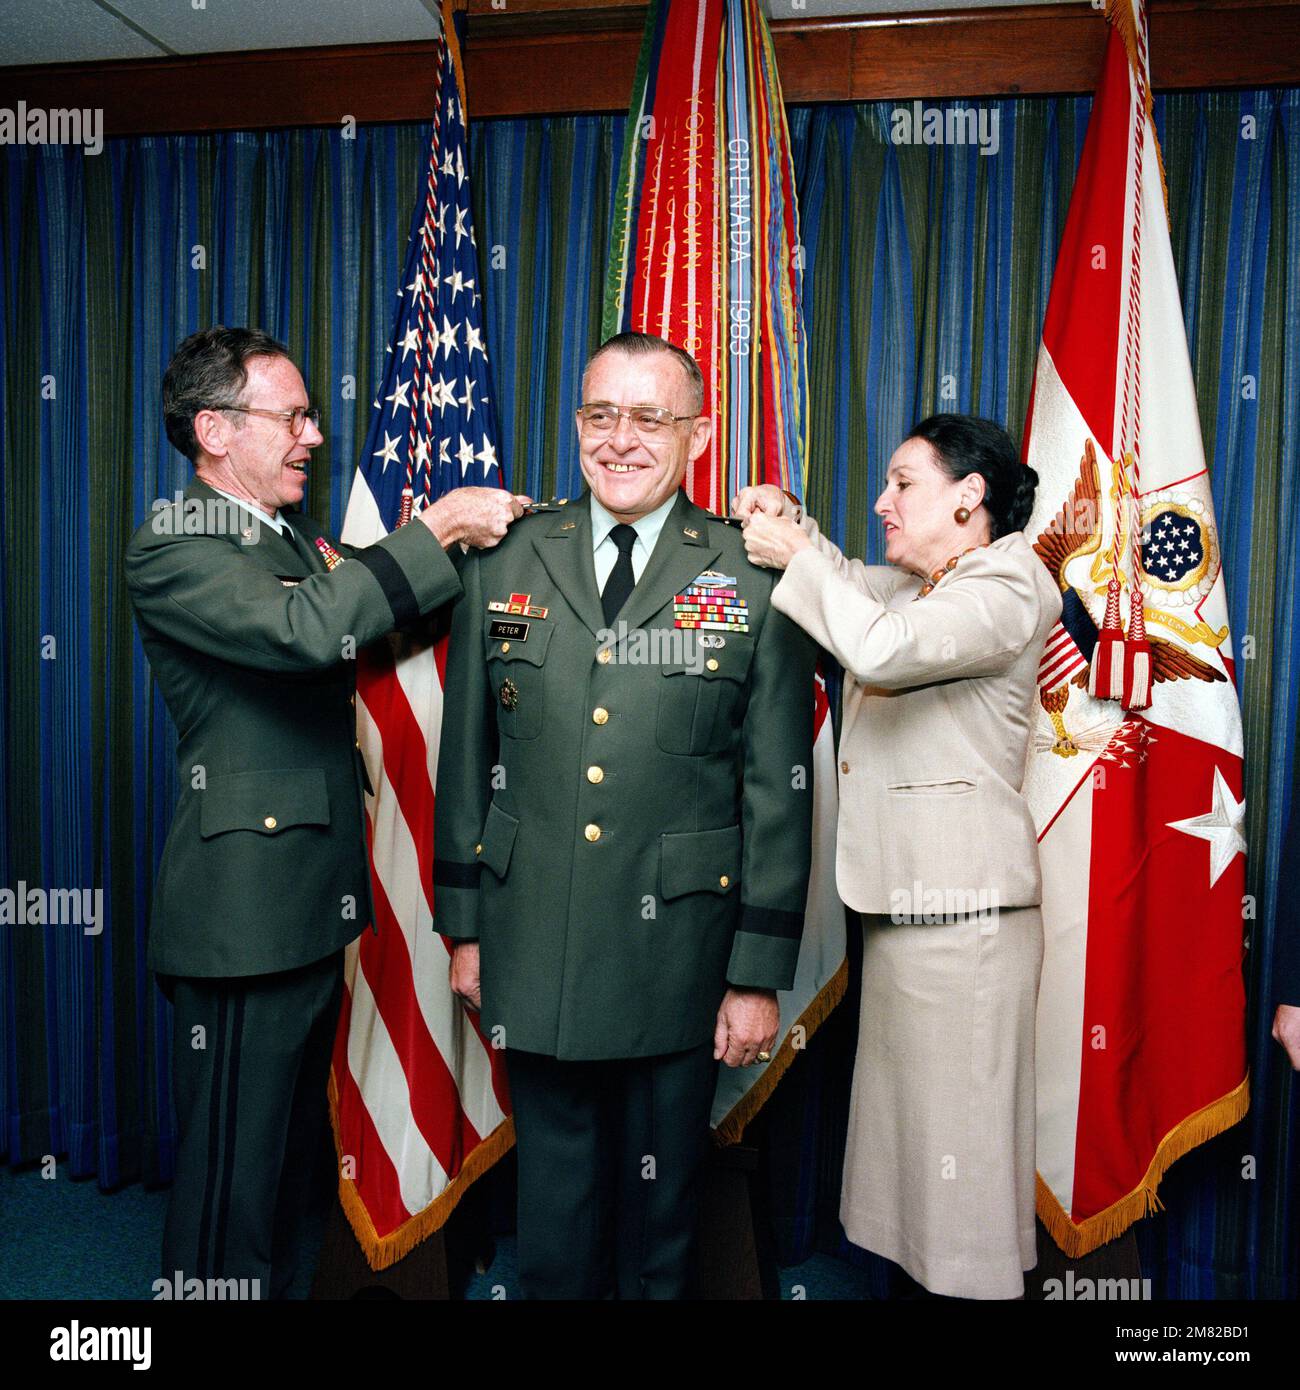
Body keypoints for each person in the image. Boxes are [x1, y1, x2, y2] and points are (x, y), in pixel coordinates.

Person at [126, 326, 524, 1298]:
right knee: (229, 1184)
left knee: (284, 1168)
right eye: (292, 415)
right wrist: (433, 530)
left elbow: (365, 613)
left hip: (305, 900)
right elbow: (310, 628)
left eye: (311, 414)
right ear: (214, 430)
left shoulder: (282, 537)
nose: (312, 434)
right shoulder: (181, 539)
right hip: (241, 917)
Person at [433, 331, 815, 1299]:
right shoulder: (503, 555)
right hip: (537, 945)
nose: (620, 439)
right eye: (601, 414)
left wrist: (757, 973)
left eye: (649, 416)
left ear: (695, 431)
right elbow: (465, 760)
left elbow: (776, 787)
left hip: (679, 955)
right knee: (553, 1222)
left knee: (660, 1228)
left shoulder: (751, 568)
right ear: (575, 424)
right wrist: (466, 929)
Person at [736, 413, 1061, 1300]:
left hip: (966, 932)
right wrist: (794, 531)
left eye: (902, 484)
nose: (882, 502)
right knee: (918, 1180)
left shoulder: (1009, 583)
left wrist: (794, 555)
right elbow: (848, 586)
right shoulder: (931, 586)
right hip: (911, 920)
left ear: (969, 497)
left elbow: (880, 646)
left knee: (963, 1198)